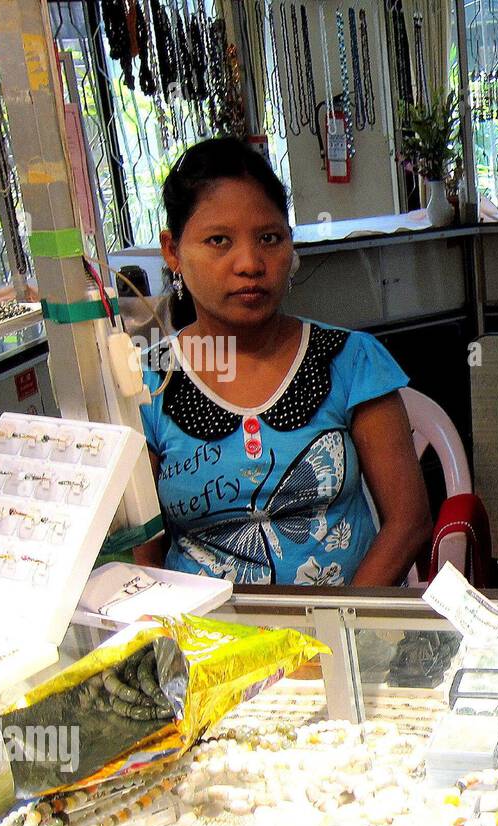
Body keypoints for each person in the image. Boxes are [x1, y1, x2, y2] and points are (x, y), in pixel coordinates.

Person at [134, 137, 432, 586]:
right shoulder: (146, 385)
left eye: (269, 238)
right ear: (173, 251)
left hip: (342, 635)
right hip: (209, 641)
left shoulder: (351, 361)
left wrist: (334, 626)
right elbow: (144, 556)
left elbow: (408, 522)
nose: (250, 263)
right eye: (219, 241)